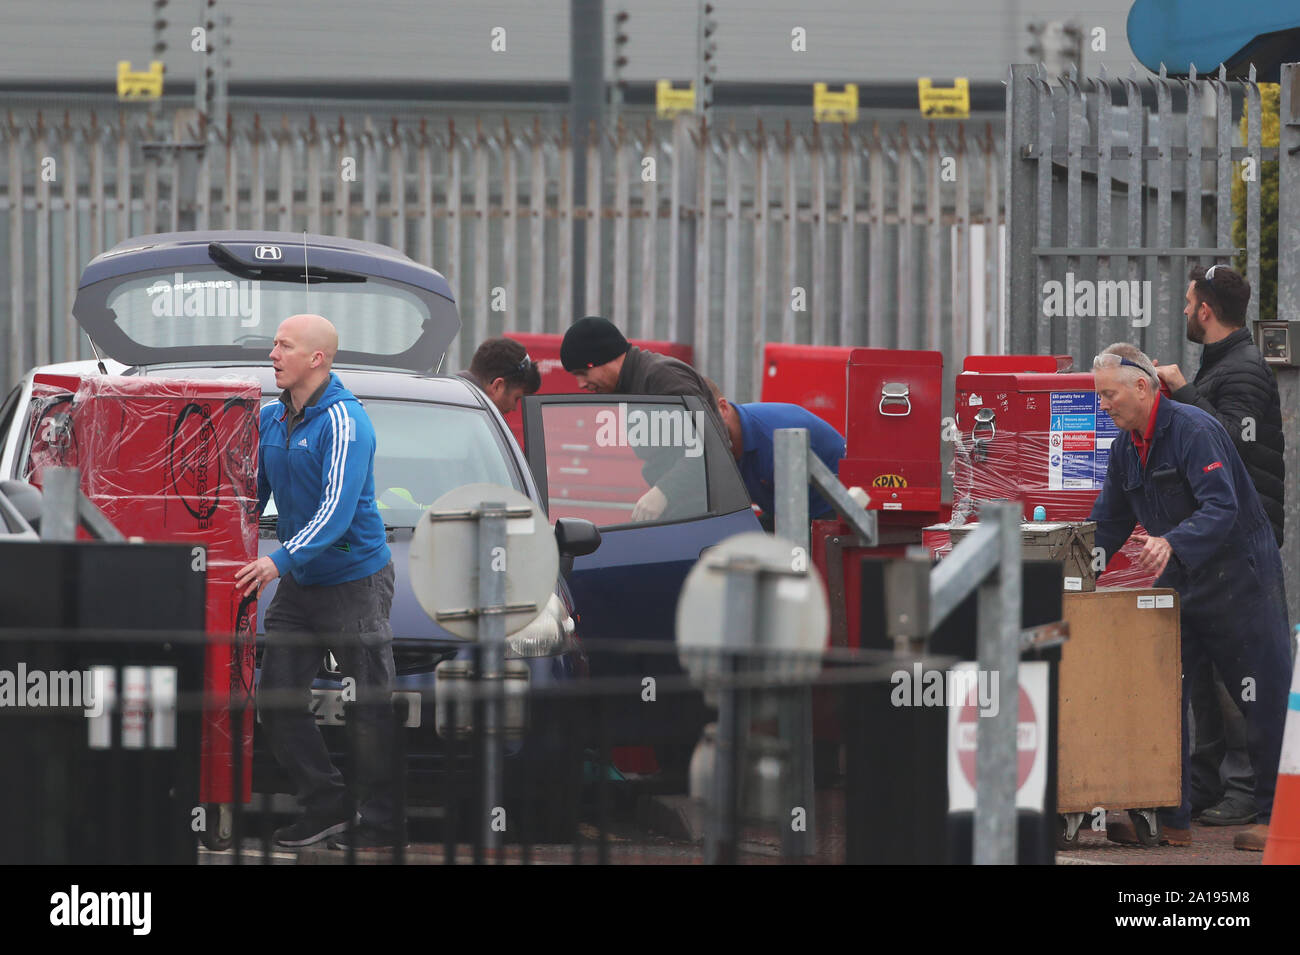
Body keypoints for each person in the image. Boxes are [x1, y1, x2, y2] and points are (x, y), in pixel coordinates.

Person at [1088, 343, 1289, 851]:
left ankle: (1278, 816)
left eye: (1109, 394)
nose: (1103, 405)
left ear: (1140, 387)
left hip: (1238, 575)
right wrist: (1077, 569)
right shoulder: (1124, 446)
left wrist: (1172, 542)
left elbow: (1221, 506)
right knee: (1161, 691)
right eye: (1099, 396)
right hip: (1182, 577)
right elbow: (1108, 524)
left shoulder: (1194, 430)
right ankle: (1167, 818)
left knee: (1259, 694)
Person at [235, 313, 402, 850]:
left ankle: (382, 824)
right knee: (277, 697)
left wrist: (276, 562)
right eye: (274, 345)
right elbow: (250, 496)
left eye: (283, 345)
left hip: (355, 580)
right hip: (303, 583)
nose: (272, 354)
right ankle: (325, 805)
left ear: (317, 359)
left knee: (370, 706)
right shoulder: (270, 418)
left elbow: (336, 512)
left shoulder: (347, 423)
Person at [1155, 264, 1285, 830]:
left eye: (1188, 303)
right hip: (1210, 547)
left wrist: (1183, 393)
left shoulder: (1245, 371)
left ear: (1205, 310)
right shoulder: (1222, 366)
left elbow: (1236, 443)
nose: (1184, 311)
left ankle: (1255, 793)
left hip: (1240, 551)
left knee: (1248, 674)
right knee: (1200, 671)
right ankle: (1205, 783)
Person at [560, 316, 725, 522]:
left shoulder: (661, 379)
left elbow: (711, 447)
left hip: (706, 515)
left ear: (605, 357)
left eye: (583, 372)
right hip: (682, 511)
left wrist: (664, 492)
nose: (581, 384)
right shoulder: (631, 386)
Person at [707, 378, 847, 531]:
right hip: (782, 506)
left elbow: (791, 525)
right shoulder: (725, 438)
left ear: (723, 408)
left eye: (705, 421)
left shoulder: (773, 440)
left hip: (831, 510)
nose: (700, 433)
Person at [456, 336, 542, 416]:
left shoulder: (449, 403)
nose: (514, 408)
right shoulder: (471, 421)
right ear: (497, 386)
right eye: (516, 398)